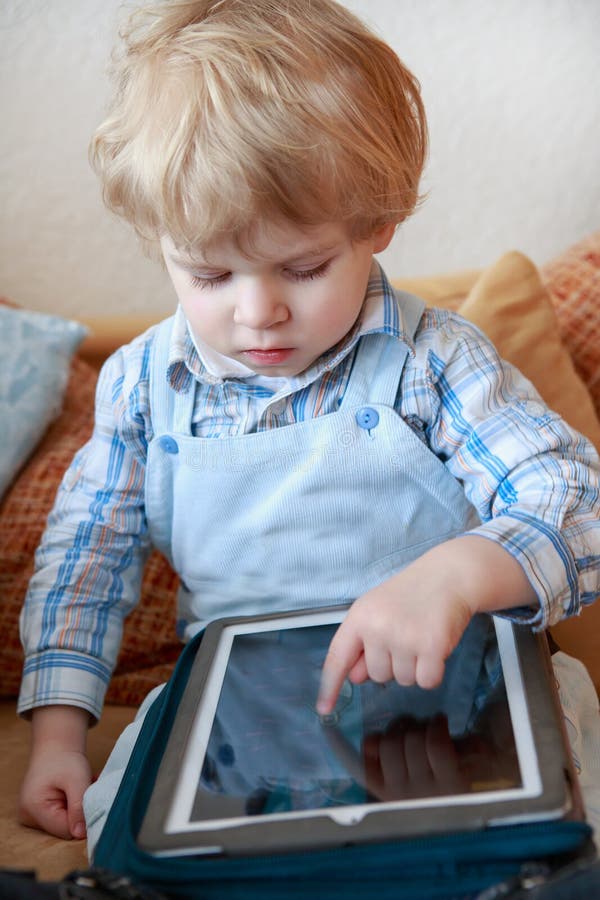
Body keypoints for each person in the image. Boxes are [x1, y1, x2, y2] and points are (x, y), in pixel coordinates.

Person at [17, 0, 600, 858]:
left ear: (376, 223)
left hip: (462, 697)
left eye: (303, 267)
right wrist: (59, 737)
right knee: (138, 848)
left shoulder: (434, 360)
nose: (260, 313)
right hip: (238, 717)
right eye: (209, 271)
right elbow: (83, 561)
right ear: (159, 240)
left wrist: (457, 575)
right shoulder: (140, 385)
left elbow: (574, 502)